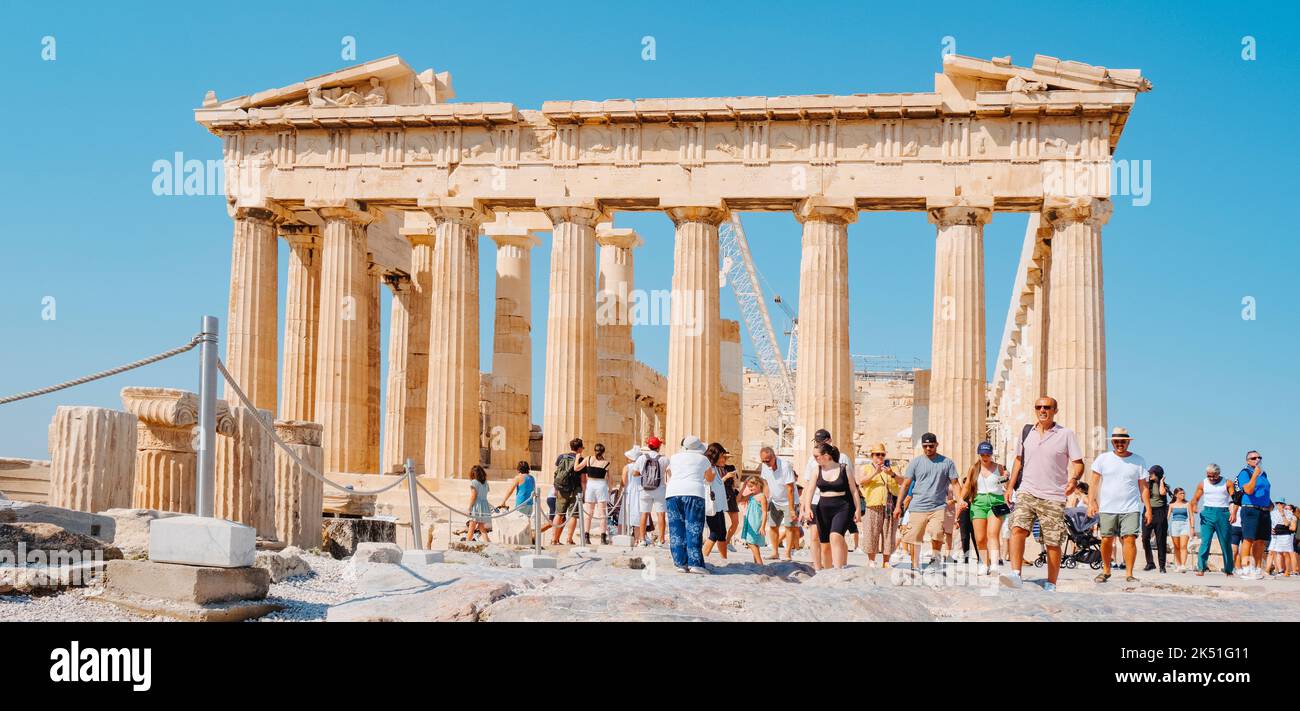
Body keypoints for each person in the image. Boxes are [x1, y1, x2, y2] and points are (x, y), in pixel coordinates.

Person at [1004, 396, 1084, 592]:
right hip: (1027, 490)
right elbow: (1017, 461)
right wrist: (1009, 487)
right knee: (1018, 528)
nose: (1042, 410)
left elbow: (1079, 463)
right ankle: (1016, 574)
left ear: (1055, 410)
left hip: (1053, 495)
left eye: (1047, 407)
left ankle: (1051, 582)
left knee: (1052, 540)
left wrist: (1074, 480)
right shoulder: (1026, 432)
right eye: (1039, 407)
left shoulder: (1066, 434)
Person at [1088, 427, 1150, 583]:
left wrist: (1148, 508)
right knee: (1106, 539)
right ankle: (1106, 570)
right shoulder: (1103, 459)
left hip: (1131, 508)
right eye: (1116, 441)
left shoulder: (1138, 461)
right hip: (1108, 507)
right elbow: (1094, 483)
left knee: (1130, 539)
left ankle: (1129, 573)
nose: (1119, 444)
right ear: (1112, 442)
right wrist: (1091, 503)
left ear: (1128, 442)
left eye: (1123, 441)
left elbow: (1143, 487)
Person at [893, 432, 958, 574]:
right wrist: (898, 505)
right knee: (914, 536)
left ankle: (935, 560)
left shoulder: (947, 463)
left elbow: (955, 483)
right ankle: (915, 565)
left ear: (937, 445)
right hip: (917, 506)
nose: (928, 449)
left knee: (937, 533)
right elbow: (905, 485)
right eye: (925, 446)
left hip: (938, 506)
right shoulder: (916, 462)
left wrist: (961, 499)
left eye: (931, 446)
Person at [800, 442, 862, 570]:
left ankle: (838, 570)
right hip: (823, 508)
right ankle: (827, 572)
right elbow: (810, 490)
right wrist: (806, 509)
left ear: (827, 455)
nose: (814, 459)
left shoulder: (844, 468)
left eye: (817, 456)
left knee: (835, 536)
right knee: (825, 544)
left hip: (843, 507)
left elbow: (854, 490)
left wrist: (858, 509)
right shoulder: (816, 469)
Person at [665, 435, 712, 574]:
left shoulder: (674, 457)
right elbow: (709, 477)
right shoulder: (703, 459)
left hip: (673, 492)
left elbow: (668, 471)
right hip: (694, 493)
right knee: (693, 528)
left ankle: (680, 563)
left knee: (676, 529)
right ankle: (695, 563)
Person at [962, 441, 1007, 575]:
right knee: (980, 538)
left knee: (992, 533)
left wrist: (1007, 477)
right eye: (982, 454)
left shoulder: (999, 468)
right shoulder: (973, 469)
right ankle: (984, 562)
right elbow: (967, 486)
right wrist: (960, 499)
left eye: (987, 454)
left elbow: (1007, 484)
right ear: (979, 454)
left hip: (996, 501)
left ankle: (994, 565)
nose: (985, 457)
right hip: (978, 502)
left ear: (991, 454)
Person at [857, 442, 901, 567]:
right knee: (872, 533)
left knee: (888, 534)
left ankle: (886, 561)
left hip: (889, 505)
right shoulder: (866, 468)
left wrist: (892, 474)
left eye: (882, 454)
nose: (880, 457)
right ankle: (871, 560)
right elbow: (861, 481)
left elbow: (903, 482)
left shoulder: (892, 468)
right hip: (873, 504)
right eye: (877, 454)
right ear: (872, 455)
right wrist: (875, 472)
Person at [1190, 463, 1236, 576]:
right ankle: (1201, 568)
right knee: (1205, 541)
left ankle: (1229, 570)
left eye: (1213, 476)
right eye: (1209, 475)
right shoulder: (1203, 483)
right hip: (1207, 513)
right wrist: (1195, 507)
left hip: (1223, 513)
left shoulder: (1227, 482)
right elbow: (1195, 498)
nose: (1211, 478)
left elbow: (1235, 499)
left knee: (1225, 542)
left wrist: (1233, 513)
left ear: (1218, 473)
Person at [1236, 450, 1273, 580]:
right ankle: (1245, 568)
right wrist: (1255, 475)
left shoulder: (1264, 474)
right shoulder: (1245, 473)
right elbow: (1248, 490)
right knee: (1248, 539)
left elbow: (1265, 490)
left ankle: (1257, 569)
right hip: (1250, 509)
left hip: (1263, 510)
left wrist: (1269, 504)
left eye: (1259, 457)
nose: (1256, 459)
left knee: (1261, 541)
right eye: (1253, 458)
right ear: (1247, 461)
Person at [759, 446, 798, 560]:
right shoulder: (765, 466)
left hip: (789, 501)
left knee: (789, 527)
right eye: (763, 461)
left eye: (768, 460)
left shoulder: (785, 466)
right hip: (775, 500)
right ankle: (775, 552)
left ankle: (787, 554)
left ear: (774, 457)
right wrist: (767, 499)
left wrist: (791, 509)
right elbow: (765, 482)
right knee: (773, 526)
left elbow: (790, 488)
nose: (766, 463)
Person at [549, 438, 587, 545]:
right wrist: (584, 493)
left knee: (559, 513)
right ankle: (569, 539)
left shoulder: (561, 457)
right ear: (579, 448)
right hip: (575, 489)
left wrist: (555, 488)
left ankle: (554, 539)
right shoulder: (581, 459)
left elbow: (557, 473)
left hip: (561, 488)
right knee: (573, 515)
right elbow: (583, 479)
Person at [634, 437, 669, 548]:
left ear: (648, 446)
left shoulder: (641, 458)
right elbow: (669, 472)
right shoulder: (664, 459)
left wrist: (645, 475)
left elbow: (635, 473)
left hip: (645, 489)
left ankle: (642, 539)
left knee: (644, 514)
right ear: (659, 446)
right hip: (660, 489)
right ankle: (661, 540)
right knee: (661, 514)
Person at [498, 460, 541, 542]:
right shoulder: (532, 478)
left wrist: (503, 501)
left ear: (518, 469)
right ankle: (530, 541)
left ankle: (519, 542)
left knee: (518, 524)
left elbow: (510, 490)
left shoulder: (518, 477)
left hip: (521, 504)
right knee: (526, 524)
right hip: (530, 504)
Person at [702, 443, 730, 563]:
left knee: (722, 532)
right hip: (712, 505)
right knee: (714, 532)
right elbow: (708, 481)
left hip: (718, 506)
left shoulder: (715, 468)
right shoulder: (709, 467)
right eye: (722, 456)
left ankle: (724, 558)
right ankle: (703, 556)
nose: (724, 459)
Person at [1141, 464, 1171, 572]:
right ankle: (1150, 563)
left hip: (1160, 513)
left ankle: (1162, 566)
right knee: (1145, 538)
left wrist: (1161, 481)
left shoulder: (1164, 486)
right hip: (1148, 511)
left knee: (1161, 540)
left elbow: (1162, 493)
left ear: (1157, 474)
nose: (1149, 474)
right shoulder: (1147, 484)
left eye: (1152, 473)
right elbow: (1142, 499)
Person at [582, 443, 612, 546]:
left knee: (589, 512)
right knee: (602, 514)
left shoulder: (588, 459)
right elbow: (609, 478)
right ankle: (603, 538)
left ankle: (586, 536)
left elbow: (577, 468)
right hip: (601, 485)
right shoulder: (606, 463)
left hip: (591, 485)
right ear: (603, 451)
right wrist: (610, 489)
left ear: (594, 450)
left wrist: (577, 458)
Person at [739, 475, 768, 564]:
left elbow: (764, 512)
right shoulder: (751, 495)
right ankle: (757, 563)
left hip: (756, 523)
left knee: (751, 543)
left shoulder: (762, 496)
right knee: (754, 543)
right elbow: (739, 499)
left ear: (759, 484)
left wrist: (762, 526)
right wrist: (743, 487)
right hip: (749, 522)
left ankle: (760, 563)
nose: (750, 488)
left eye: (752, 486)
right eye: (748, 487)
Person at [619, 447, 643, 540]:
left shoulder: (627, 467)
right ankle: (637, 538)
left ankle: (621, 535)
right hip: (639, 491)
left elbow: (623, 481)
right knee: (637, 514)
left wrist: (619, 491)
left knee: (624, 513)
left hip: (628, 491)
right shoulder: (641, 466)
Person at [1268, 501, 1295, 577]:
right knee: (1277, 553)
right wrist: (1270, 529)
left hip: (1285, 534)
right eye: (1277, 503)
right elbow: (1270, 523)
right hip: (1276, 535)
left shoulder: (1289, 513)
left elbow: (1287, 524)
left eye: (1281, 503)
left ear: (1284, 504)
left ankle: (1287, 571)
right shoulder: (1272, 513)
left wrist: (1283, 514)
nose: (1279, 505)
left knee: (1286, 553)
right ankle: (1280, 570)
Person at [467, 465, 493, 542]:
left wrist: (470, 506)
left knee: (471, 528)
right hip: (484, 506)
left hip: (477, 506)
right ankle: (488, 544)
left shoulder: (474, 482)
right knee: (482, 529)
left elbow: (473, 495)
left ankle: (465, 545)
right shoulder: (485, 483)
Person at [1168, 487, 1192, 573]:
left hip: (1185, 525)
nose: (1183, 495)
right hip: (1174, 525)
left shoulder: (1187, 504)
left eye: (1183, 493)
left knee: (1183, 546)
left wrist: (1192, 528)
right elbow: (1167, 517)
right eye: (1181, 493)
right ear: (1176, 495)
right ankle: (1178, 565)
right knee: (1177, 547)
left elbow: (1191, 517)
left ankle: (1183, 565)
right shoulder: (1171, 505)